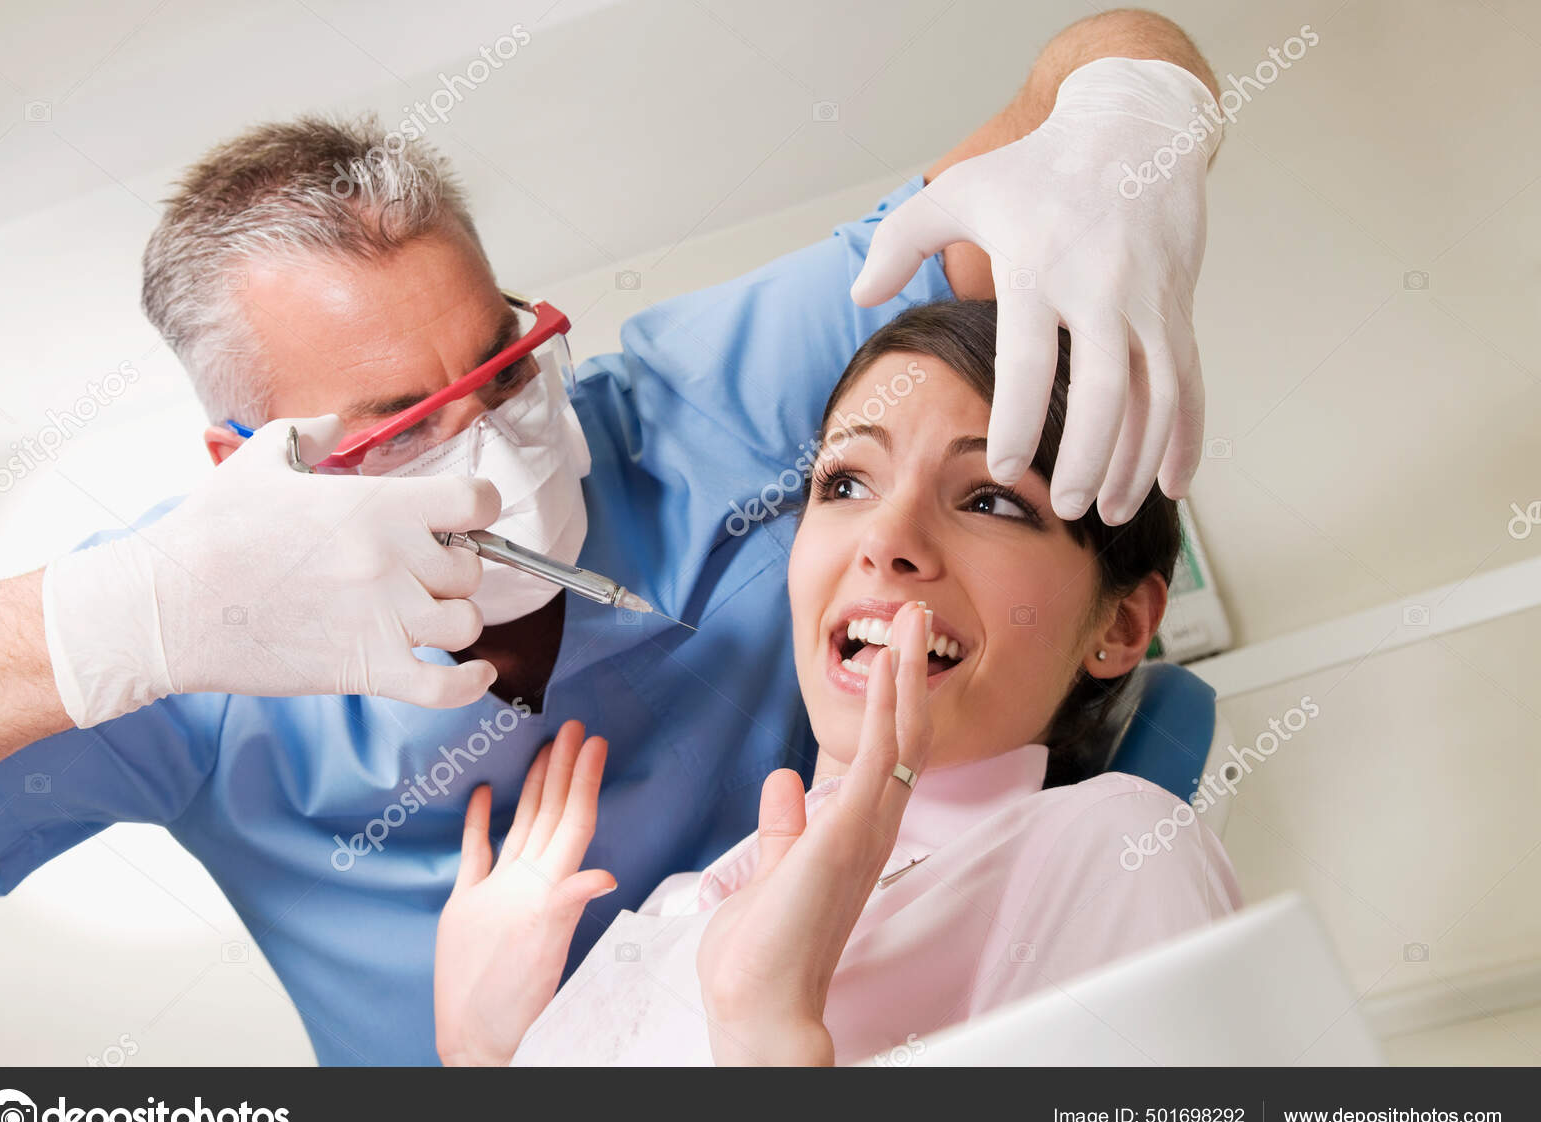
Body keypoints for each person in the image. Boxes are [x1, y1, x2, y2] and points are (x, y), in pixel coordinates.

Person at [0, 11, 1224, 1065]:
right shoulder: (190, 628)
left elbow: (1095, 67)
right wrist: (125, 619)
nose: (497, 450)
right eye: (399, 429)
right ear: (247, 471)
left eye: (501, 366)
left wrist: (1132, 119)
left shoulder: (693, 404)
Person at [433, 300, 1241, 1066]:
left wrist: (769, 1037)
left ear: (1121, 624)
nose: (887, 539)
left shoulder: (1114, 844)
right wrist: (484, 1050)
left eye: (991, 499)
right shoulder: (683, 903)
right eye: (846, 484)